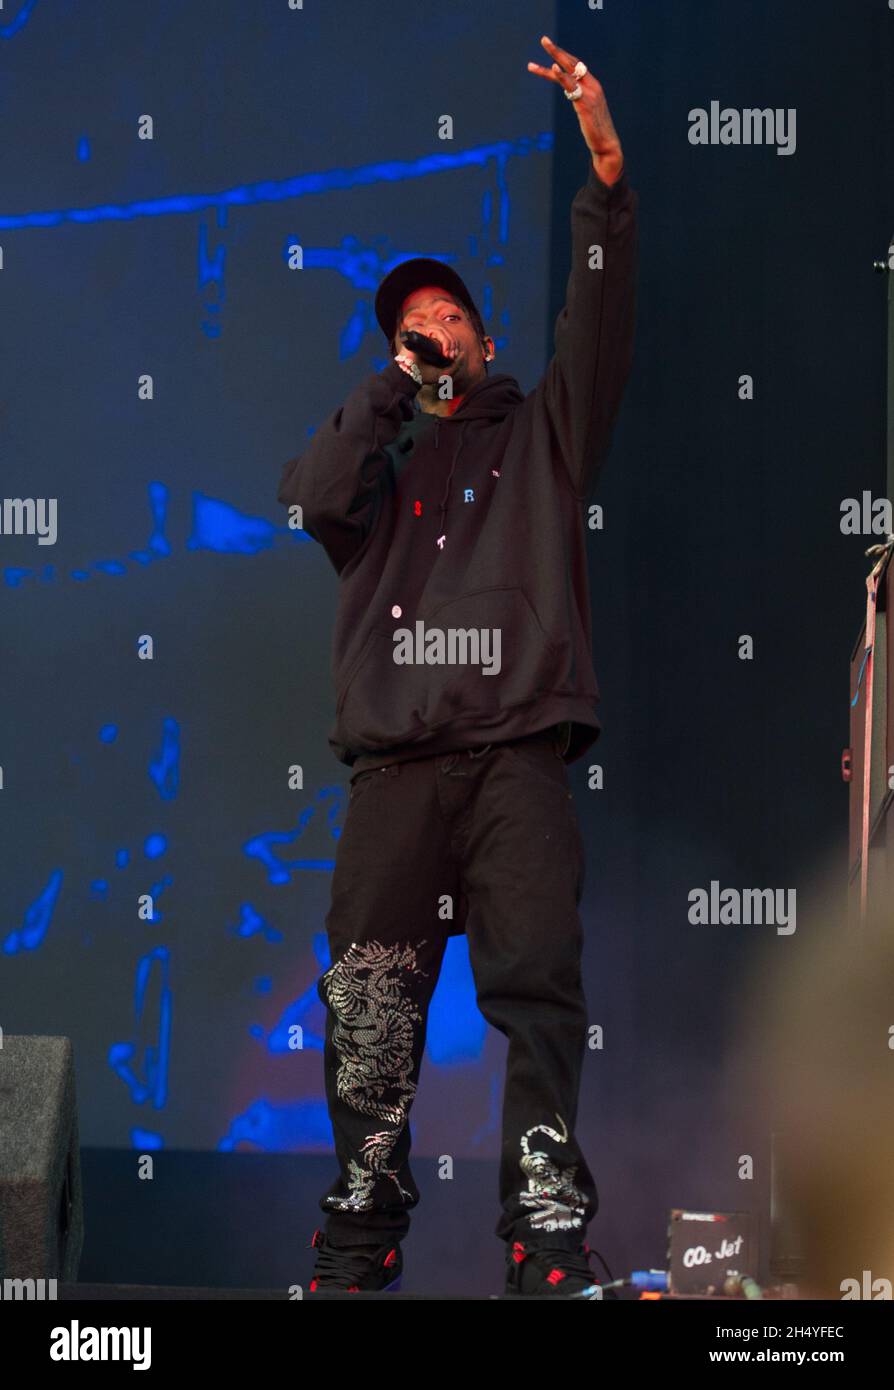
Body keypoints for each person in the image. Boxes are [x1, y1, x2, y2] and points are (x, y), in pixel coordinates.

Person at [277, 35, 638, 1297]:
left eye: (454, 317)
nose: (440, 331)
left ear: (484, 339)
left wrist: (601, 170)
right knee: (371, 1008)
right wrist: (389, 390)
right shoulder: (369, 475)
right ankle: (358, 1239)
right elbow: (307, 497)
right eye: (416, 325)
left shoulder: (542, 436)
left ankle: (544, 1238)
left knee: (536, 987)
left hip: (518, 760)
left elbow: (597, 318)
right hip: (397, 773)